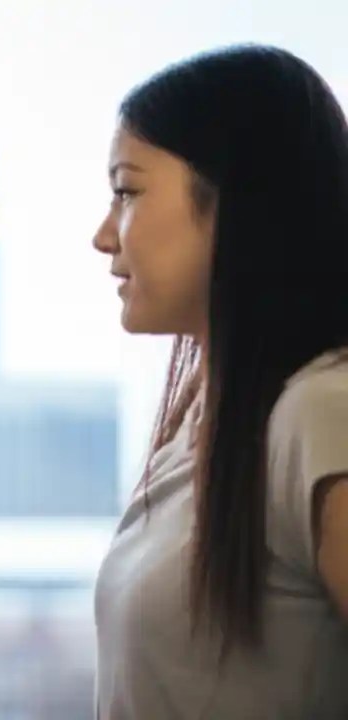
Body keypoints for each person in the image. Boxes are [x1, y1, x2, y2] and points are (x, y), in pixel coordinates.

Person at [92, 44, 348, 719]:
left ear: (239, 201)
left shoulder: (321, 411)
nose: (103, 236)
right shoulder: (206, 416)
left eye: (127, 192)